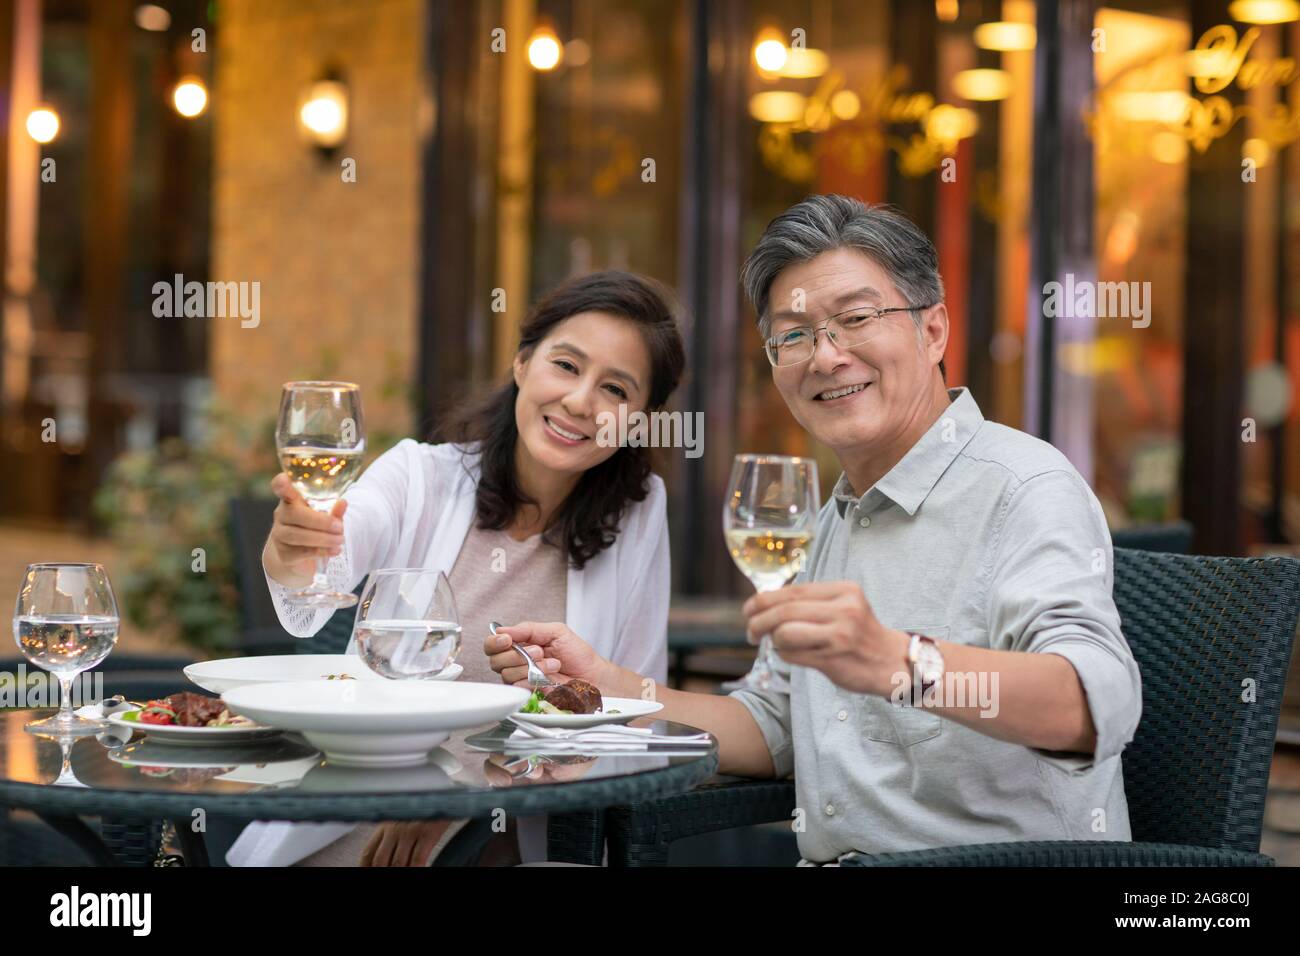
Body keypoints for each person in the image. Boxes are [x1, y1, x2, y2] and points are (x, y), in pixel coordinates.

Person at [489, 195, 1143, 865]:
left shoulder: (1024, 486)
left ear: (934, 330)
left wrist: (898, 662)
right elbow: (777, 724)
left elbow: (1096, 704)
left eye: (856, 318)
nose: (825, 356)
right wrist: (612, 689)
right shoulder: (833, 517)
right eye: (793, 335)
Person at [228, 269, 685, 866]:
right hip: (355, 826)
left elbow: (629, 724)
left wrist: (466, 795)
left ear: (641, 420)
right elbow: (322, 576)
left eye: (617, 390)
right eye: (567, 366)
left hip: (520, 839)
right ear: (523, 364)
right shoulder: (421, 476)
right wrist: (294, 549)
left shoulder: (639, 511)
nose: (580, 401)